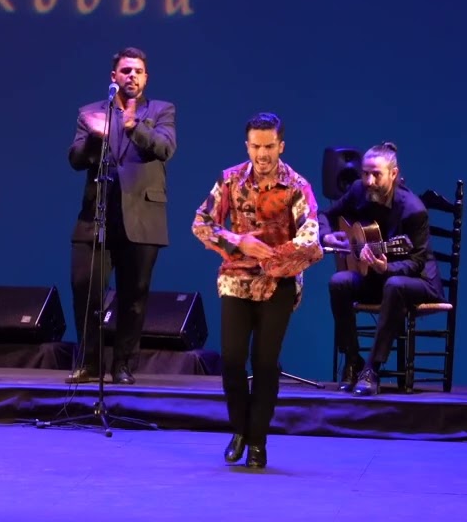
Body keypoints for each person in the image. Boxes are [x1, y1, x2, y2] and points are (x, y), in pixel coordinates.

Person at [192, 112, 323, 469]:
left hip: (278, 281)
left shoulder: (297, 186)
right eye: (255, 146)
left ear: (280, 146)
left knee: (265, 363)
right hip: (236, 277)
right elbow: (201, 222)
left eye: (269, 147)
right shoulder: (230, 180)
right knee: (233, 360)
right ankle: (241, 429)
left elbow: (312, 240)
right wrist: (240, 242)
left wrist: (274, 260)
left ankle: (259, 441)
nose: (262, 155)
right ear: (247, 146)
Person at [66, 47, 176, 385]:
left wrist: (132, 126)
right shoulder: (90, 113)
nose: (132, 76)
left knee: (134, 295)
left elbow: (165, 148)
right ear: (113, 77)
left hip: (142, 214)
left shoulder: (160, 111)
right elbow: (75, 159)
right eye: (126, 70)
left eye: (138, 71)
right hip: (96, 214)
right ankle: (90, 363)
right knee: (86, 289)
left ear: (146, 78)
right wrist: (95, 138)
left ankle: (124, 365)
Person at [321, 142, 442, 397]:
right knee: (339, 282)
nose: (369, 180)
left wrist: (386, 267)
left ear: (394, 174)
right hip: (378, 276)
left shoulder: (413, 210)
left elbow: (417, 262)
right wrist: (327, 236)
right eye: (365, 173)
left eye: (377, 174)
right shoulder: (357, 190)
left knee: (395, 285)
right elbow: (325, 215)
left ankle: (371, 369)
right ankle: (352, 362)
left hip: (417, 281)